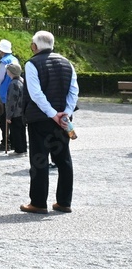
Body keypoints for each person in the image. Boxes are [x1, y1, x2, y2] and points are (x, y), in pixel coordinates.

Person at [20, 30, 79, 215]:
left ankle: (38, 202)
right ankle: (64, 202)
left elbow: (36, 94)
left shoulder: (32, 64)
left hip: (40, 119)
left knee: (39, 160)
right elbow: (74, 91)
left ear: (34, 46)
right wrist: (65, 114)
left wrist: (53, 114)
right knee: (63, 160)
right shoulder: (67, 63)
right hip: (63, 121)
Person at [0, 39, 20, 151]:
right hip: (14, 91)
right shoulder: (14, 59)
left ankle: (5, 142)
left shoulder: (4, 61)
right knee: (12, 119)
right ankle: (13, 141)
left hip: (3, 94)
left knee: (3, 120)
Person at [3, 62, 27, 154]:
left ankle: (19, 149)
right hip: (22, 112)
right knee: (21, 131)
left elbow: (11, 101)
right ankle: (23, 148)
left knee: (16, 131)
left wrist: (8, 116)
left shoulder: (13, 84)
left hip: (16, 112)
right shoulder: (22, 81)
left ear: (10, 72)